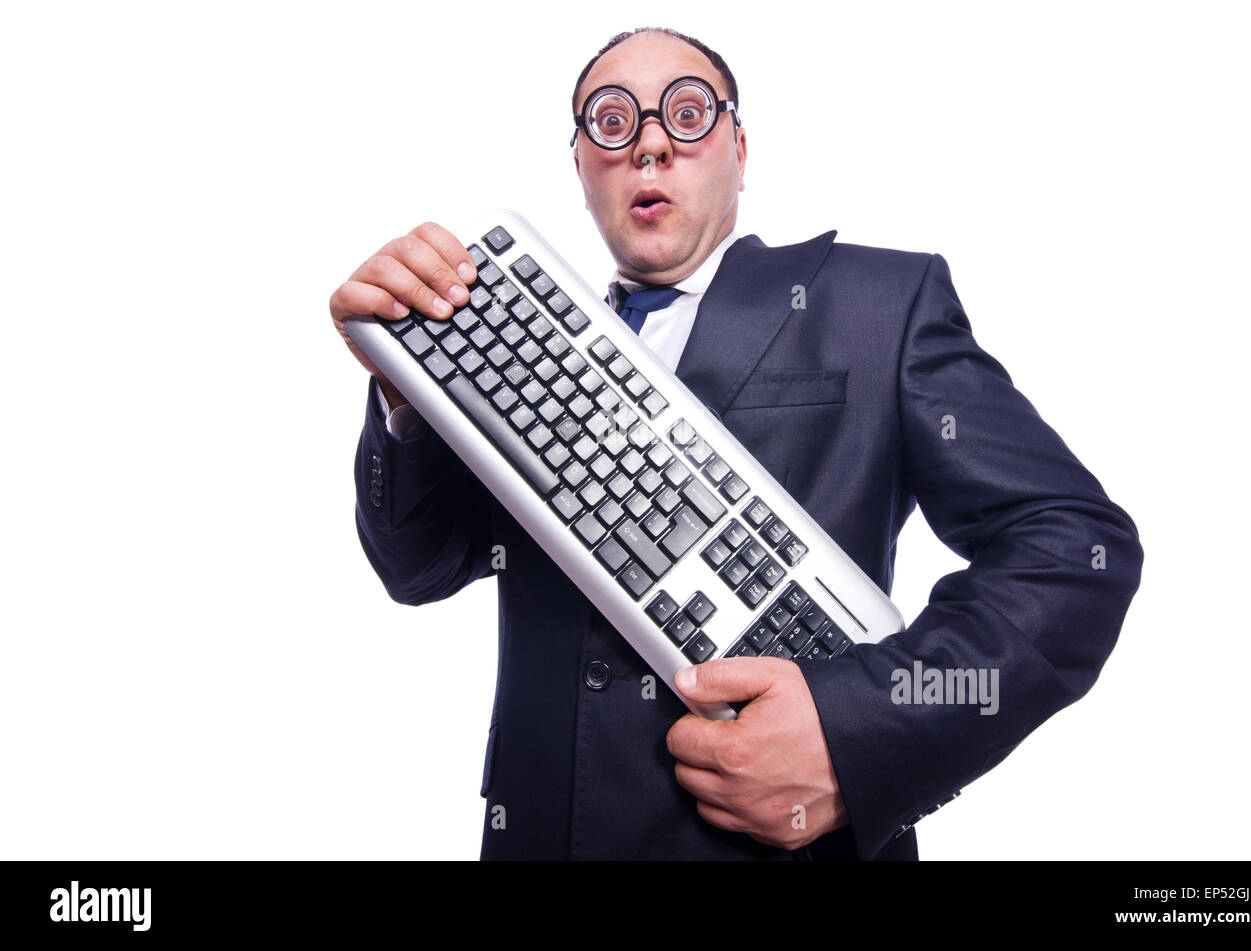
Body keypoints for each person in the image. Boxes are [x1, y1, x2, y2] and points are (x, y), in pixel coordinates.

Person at [328, 27, 1143, 860]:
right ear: (580, 169)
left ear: (740, 152)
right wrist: (410, 384)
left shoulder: (877, 305)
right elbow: (419, 569)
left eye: (687, 114)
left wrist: (852, 734)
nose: (650, 144)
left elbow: (1075, 552)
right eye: (612, 123)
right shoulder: (507, 343)